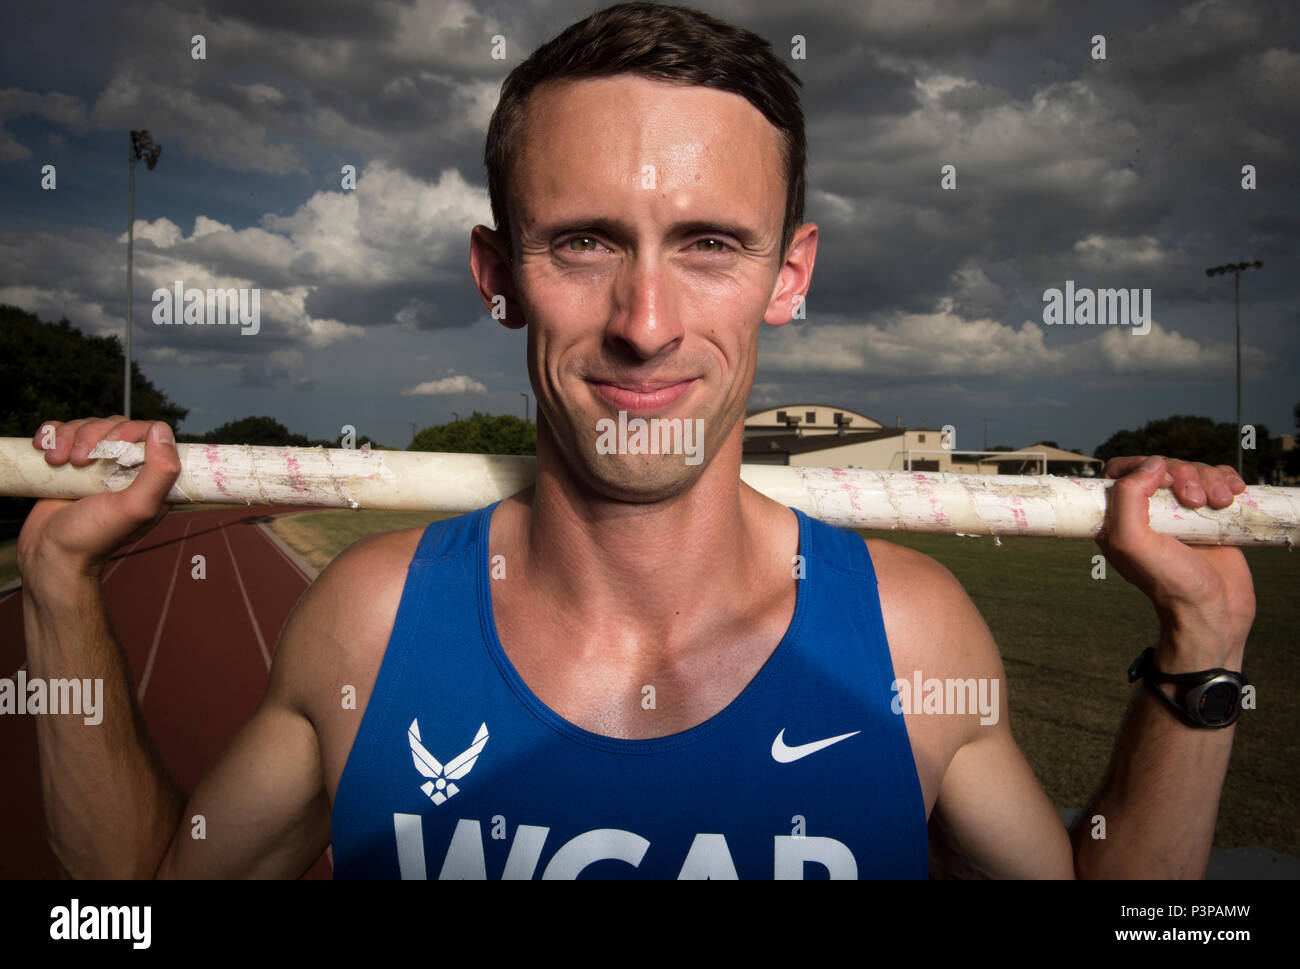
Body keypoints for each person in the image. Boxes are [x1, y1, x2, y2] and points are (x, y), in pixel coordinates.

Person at [20, 2, 1254, 879]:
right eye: (584, 242)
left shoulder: (908, 634)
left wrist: (1201, 654)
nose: (646, 325)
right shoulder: (372, 621)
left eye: (711, 243)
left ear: (790, 273)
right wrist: (62, 586)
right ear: (499, 274)